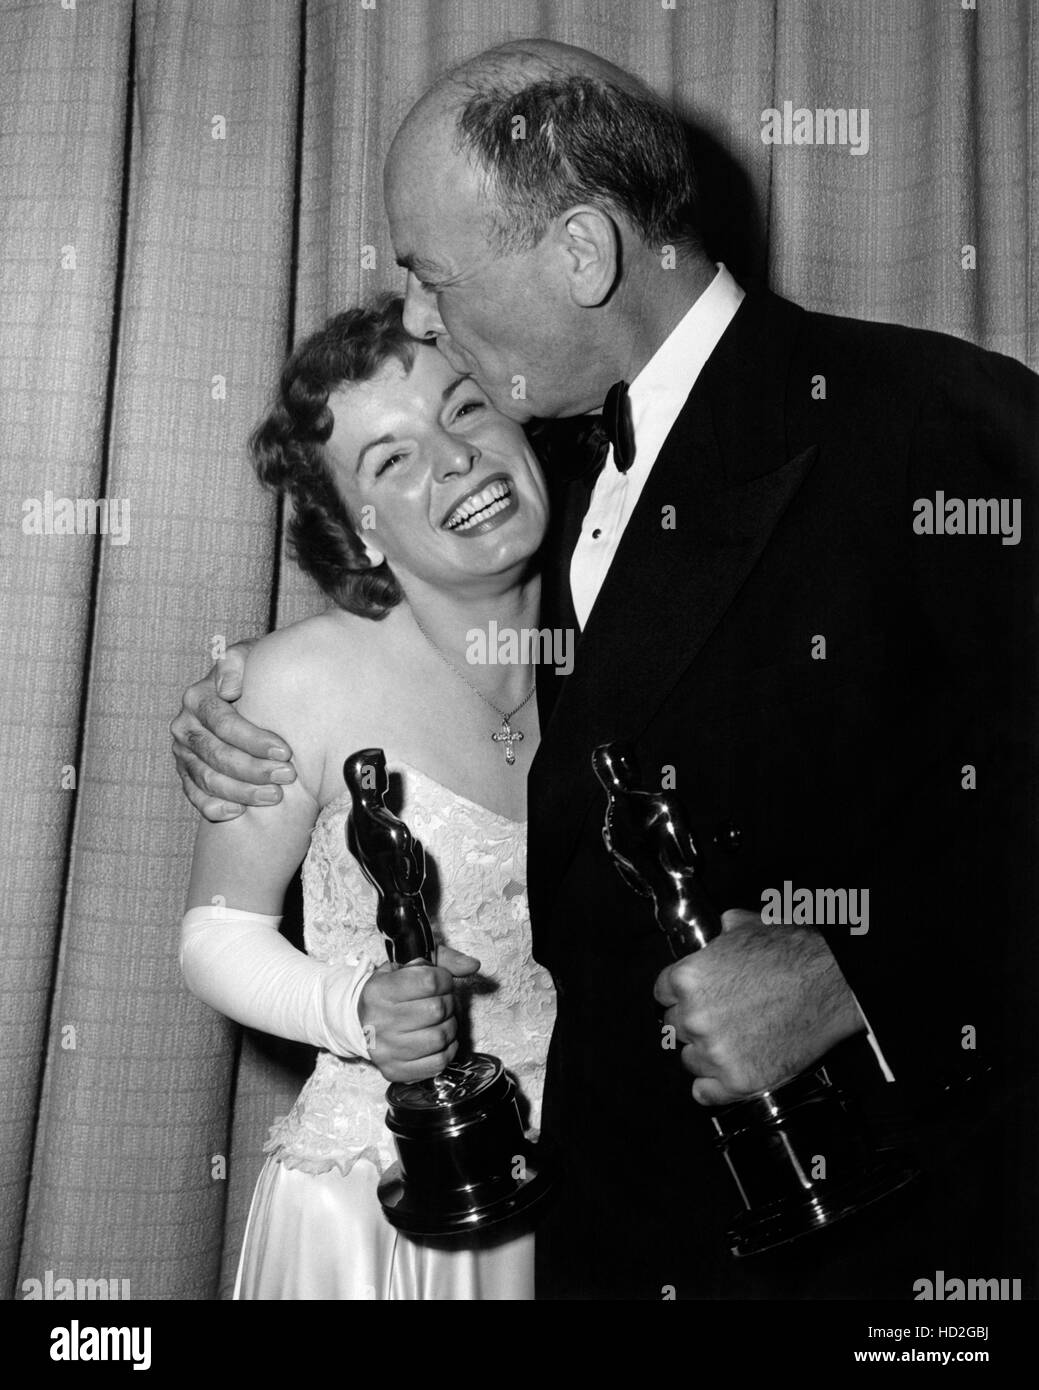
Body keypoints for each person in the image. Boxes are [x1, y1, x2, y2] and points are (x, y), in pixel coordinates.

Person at [172, 41, 1039, 1299]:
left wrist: (856, 972)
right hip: (603, 1239)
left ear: (583, 253)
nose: (417, 315)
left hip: (884, 1254)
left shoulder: (934, 420)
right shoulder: (542, 481)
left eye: (428, 274)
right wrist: (234, 709)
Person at [179, 296, 556, 1299]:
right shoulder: (293, 683)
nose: (455, 458)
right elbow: (215, 936)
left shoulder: (633, 641)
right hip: (378, 1209)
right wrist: (352, 1009)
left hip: (593, 1197)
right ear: (361, 532)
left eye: (466, 409)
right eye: (390, 460)